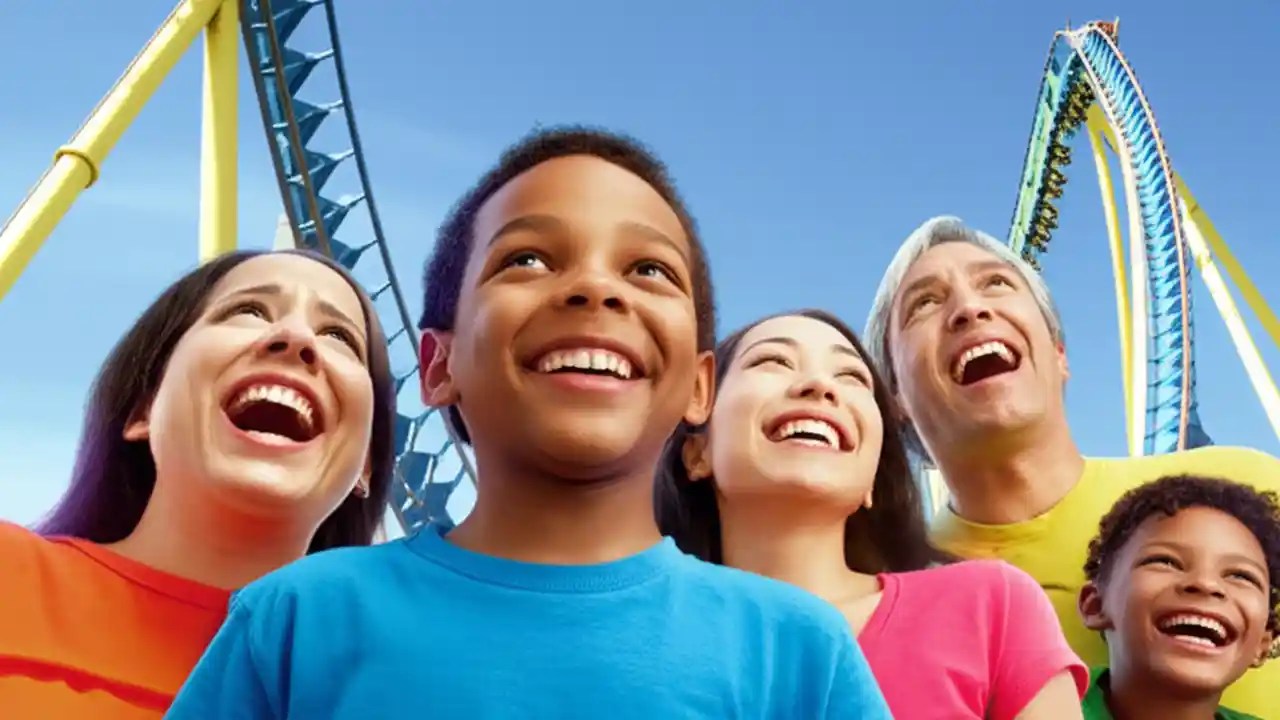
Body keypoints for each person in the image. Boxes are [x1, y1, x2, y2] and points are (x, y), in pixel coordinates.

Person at [165, 127, 892, 718]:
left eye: (649, 271)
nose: (594, 288)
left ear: (701, 386)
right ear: (437, 365)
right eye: (529, 258)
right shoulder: (298, 620)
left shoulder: (797, 651)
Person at [862, 215, 1280, 716]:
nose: (969, 309)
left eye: (996, 283)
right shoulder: (890, 594)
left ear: (1060, 354)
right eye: (924, 303)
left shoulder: (1244, 492)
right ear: (893, 398)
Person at [0, 248, 396, 718]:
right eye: (247, 310)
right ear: (144, 410)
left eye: (338, 336)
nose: (295, 337)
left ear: (366, 464)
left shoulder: (402, 692)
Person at [657, 308, 1088, 718]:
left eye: (850, 376)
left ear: (870, 480)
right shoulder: (633, 643)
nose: (819, 387)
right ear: (697, 453)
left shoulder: (992, 604)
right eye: (773, 360)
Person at [1077, 475, 1278, 719]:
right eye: (1166, 561)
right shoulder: (1039, 709)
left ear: (1264, 643)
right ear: (1095, 605)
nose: (1205, 583)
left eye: (1241, 576)